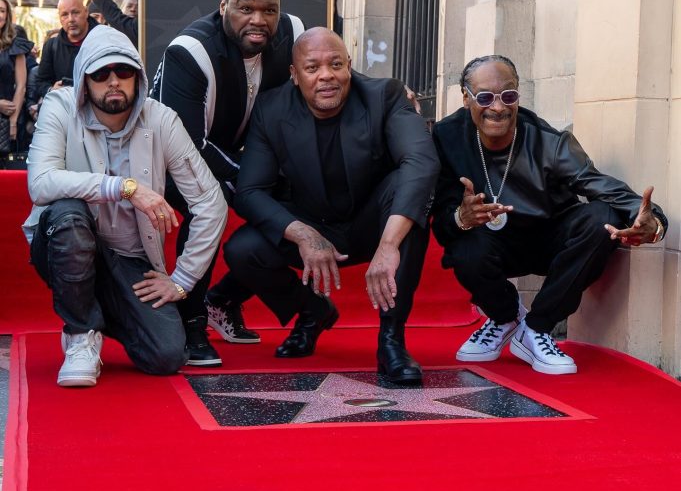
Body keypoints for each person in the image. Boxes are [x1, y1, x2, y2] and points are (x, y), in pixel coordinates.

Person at [217, 28, 440, 385]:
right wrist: (303, 234)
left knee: (408, 201)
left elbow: (421, 161)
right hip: (312, 223)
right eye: (312, 67)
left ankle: (391, 342)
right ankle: (313, 310)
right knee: (243, 249)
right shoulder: (272, 110)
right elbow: (250, 191)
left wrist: (388, 245)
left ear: (349, 66)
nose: (326, 76)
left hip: (372, 224)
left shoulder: (385, 95)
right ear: (294, 75)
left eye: (336, 64)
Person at [431, 54, 668, 375]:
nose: (498, 107)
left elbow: (600, 185)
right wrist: (461, 217)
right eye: (485, 97)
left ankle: (536, 328)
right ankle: (504, 316)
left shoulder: (548, 142)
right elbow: (442, 221)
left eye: (509, 95)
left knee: (601, 218)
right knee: (463, 245)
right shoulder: (446, 138)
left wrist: (652, 222)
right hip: (490, 243)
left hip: (549, 240)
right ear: (466, 99)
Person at [23, 25, 227, 387]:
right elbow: (41, 183)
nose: (113, 81)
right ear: (85, 79)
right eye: (100, 73)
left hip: (130, 262)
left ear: (138, 76)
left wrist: (181, 282)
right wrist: (126, 188)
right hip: (63, 242)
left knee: (166, 355)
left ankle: (95, 311)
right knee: (68, 212)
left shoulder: (162, 119)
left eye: (124, 71)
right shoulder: (59, 108)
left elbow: (211, 202)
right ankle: (81, 332)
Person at [152, 0, 304, 365]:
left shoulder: (292, 34)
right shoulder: (190, 50)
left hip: (231, 153)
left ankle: (224, 300)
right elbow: (188, 144)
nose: (258, 19)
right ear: (223, 6)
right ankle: (190, 320)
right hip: (164, 157)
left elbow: (328, 72)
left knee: (300, 210)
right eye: (245, 7)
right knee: (211, 203)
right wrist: (249, 183)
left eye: (268, 10)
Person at [35, 0, 99, 97]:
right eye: (65, 14)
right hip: (64, 109)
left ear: (86, 12)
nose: (71, 19)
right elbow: (40, 82)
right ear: (59, 18)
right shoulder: (52, 46)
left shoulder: (103, 39)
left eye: (75, 12)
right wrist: (51, 89)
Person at [0, 0, 32, 161]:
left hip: (8, 119)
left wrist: (12, 122)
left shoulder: (16, 45)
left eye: (2, 10)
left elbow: (21, 86)